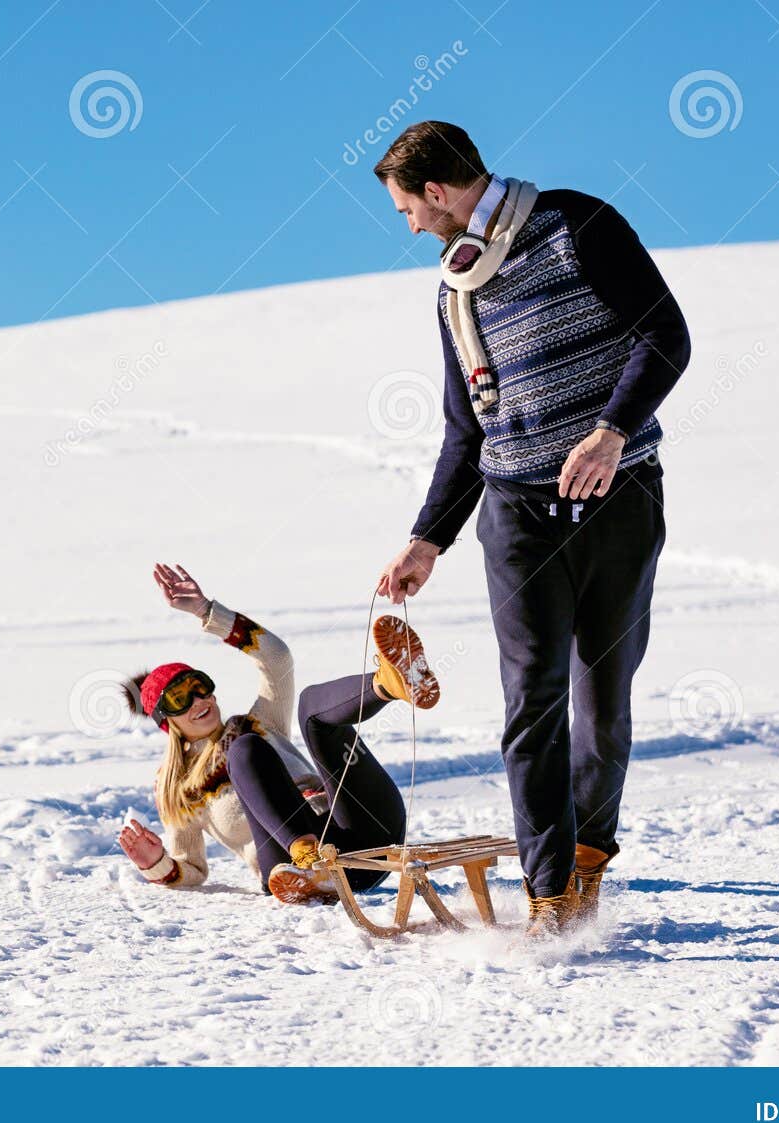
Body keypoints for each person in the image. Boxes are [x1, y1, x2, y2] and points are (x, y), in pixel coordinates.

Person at [371, 121, 691, 937]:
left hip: (620, 498)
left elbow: (667, 336)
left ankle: (588, 855)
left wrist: (612, 430)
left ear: (436, 192)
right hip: (515, 513)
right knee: (532, 698)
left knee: (602, 698)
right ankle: (548, 892)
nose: (410, 225)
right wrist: (427, 537)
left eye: (408, 208)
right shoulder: (455, 290)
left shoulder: (578, 225)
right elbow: (466, 430)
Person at [117, 563, 440, 904]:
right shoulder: (178, 785)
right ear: (166, 721)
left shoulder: (259, 723)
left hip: (363, 842)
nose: (199, 700)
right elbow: (192, 869)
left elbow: (277, 660)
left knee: (311, 709)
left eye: (201, 686)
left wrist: (205, 611)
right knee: (244, 749)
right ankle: (306, 855)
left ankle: (389, 684)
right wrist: (156, 864)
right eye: (180, 698)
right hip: (290, 872)